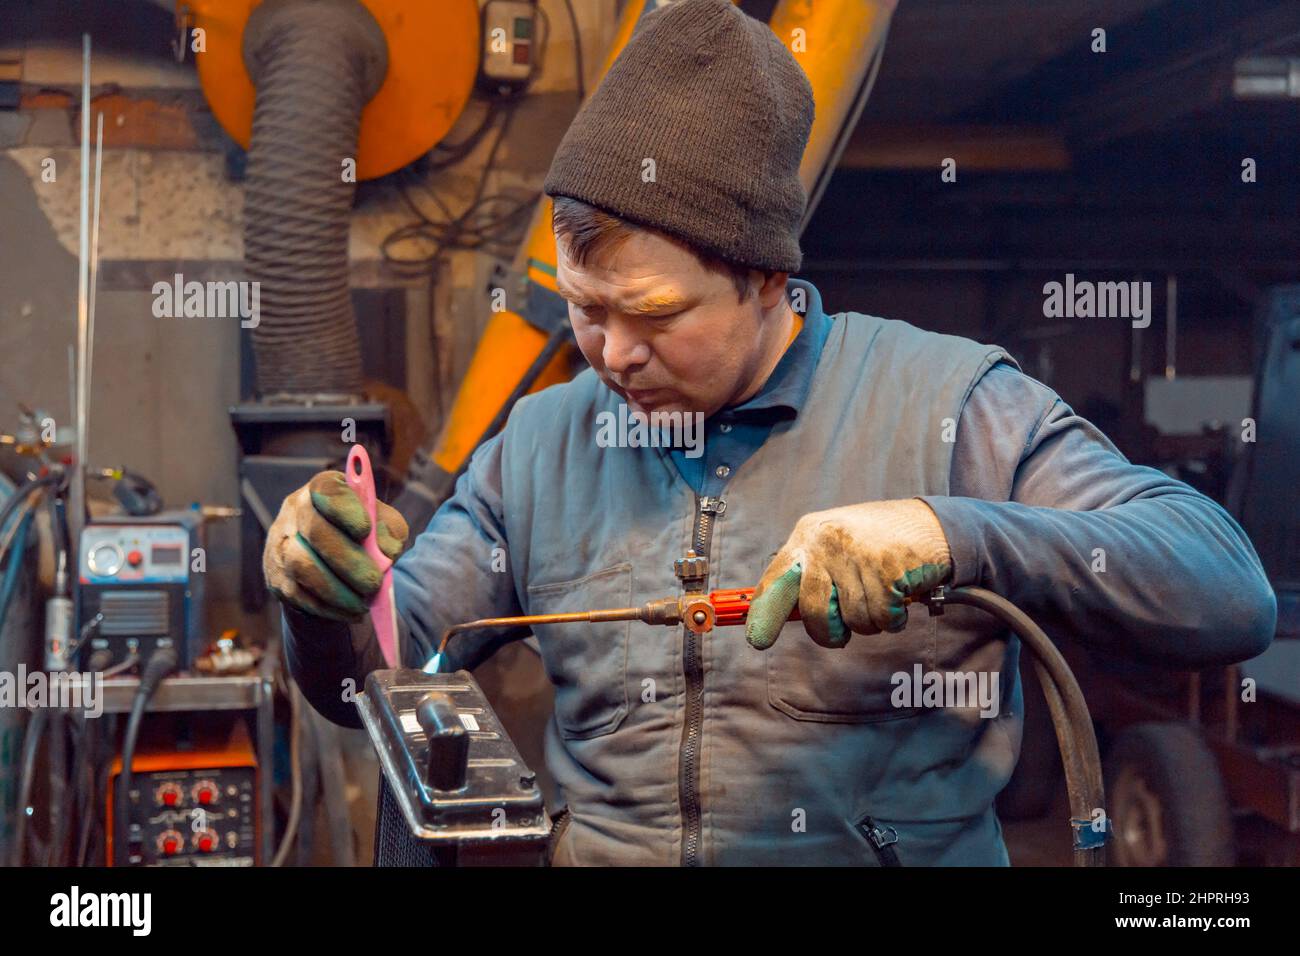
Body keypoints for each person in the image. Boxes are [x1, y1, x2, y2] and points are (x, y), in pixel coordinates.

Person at [264, 0, 1275, 865]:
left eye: (655, 314)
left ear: (765, 282)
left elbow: (1226, 588)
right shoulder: (540, 444)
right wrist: (324, 599)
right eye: (585, 306)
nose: (610, 353)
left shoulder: (950, 403)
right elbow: (377, 681)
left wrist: (949, 532)